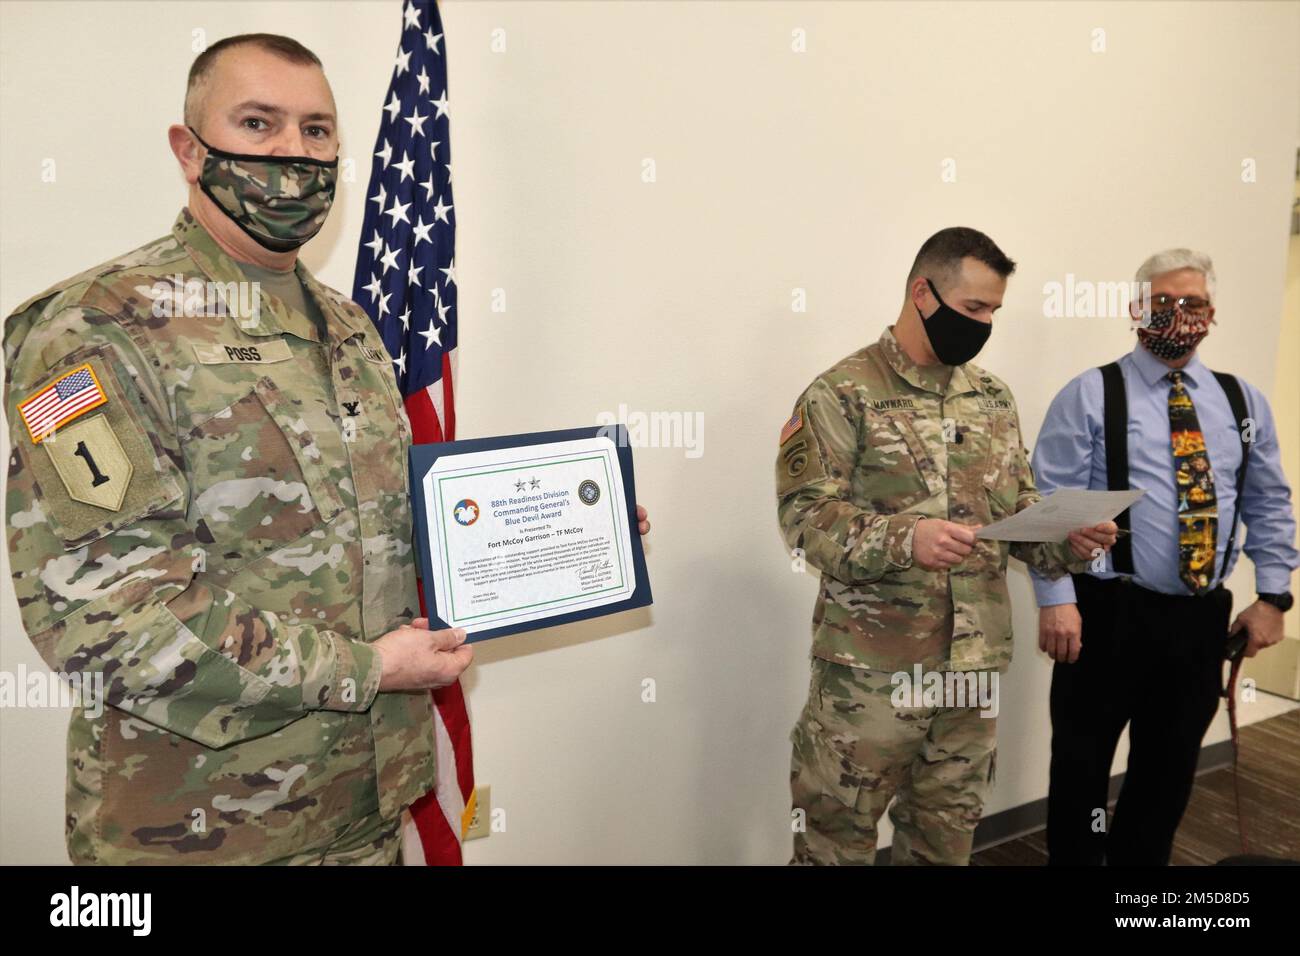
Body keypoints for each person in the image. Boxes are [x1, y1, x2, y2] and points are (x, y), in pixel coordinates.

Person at [2, 32, 651, 865]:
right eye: (258, 123)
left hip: (362, 810)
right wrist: (368, 669)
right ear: (188, 150)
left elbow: (375, 537)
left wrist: (569, 538)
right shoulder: (96, 328)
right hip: (200, 830)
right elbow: (109, 616)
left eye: (316, 131)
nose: (292, 153)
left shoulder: (347, 327)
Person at [776, 227, 1117, 865]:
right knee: (832, 846)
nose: (985, 324)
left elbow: (1013, 511)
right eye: (973, 309)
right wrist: (909, 537)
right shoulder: (841, 392)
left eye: (993, 312)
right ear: (921, 293)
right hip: (872, 677)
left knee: (943, 841)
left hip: (972, 672)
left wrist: (1064, 538)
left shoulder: (990, 397)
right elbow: (803, 518)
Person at [1031, 248, 1297, 866]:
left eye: (1194, 304)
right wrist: (1056, 600)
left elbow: (1269, 499)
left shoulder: (1242, 403)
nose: (1180, 315)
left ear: (1212, 313)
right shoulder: (1092, 393)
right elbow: (1050, 505)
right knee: (1081, 768)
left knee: (1168, 774)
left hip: (1200, 620)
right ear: (1136, 311)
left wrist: (1274, 596)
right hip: (1105, 614)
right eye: (1164, 304)